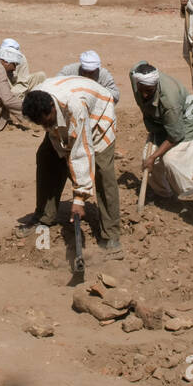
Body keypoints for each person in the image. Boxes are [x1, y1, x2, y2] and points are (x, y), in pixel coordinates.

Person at [18, 75, 122, 257]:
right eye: (40, 124)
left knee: (103, 171)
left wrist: (79, 199)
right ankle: (44, 215)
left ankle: (111, 233)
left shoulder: (75, 106)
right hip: (66, 117)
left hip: (98, 116)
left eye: (46, 120)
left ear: (51, 107)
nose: (44, 125)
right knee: (46, 157)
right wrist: (52, 128)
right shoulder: (39, 101)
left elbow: (81, 150)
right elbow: (63, 143)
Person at [129, 61, 193, 199]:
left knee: (171, 160)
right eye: (142, 89)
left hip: (187, 120)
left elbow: (176, 134)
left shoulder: (169, 102)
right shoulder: (135, 75)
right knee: (147, 160)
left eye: (149, 91)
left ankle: (189, 196)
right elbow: (142, 64)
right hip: (161, 121)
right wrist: (151, 158)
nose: (144, 95)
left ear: (156, 85)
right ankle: (165, 195)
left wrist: (154, 156)